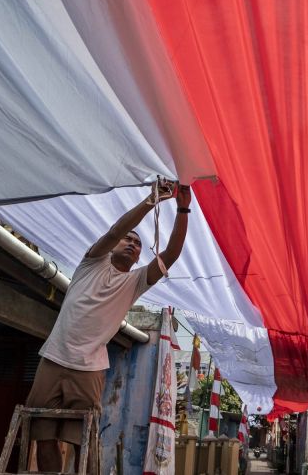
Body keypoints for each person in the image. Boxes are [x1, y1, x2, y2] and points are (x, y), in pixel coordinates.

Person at [25, 180, 191, 471]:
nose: (132, 243)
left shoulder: (135, 281)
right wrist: (151, 200)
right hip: (53, 358)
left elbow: (172, 254)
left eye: (138, 244)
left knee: (83, 439)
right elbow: (115, 230)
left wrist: (183, 208)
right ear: (114, 245)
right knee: (43, 435)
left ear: (140, 256)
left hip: (90, 369)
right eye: (128, 239)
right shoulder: (92, 262)